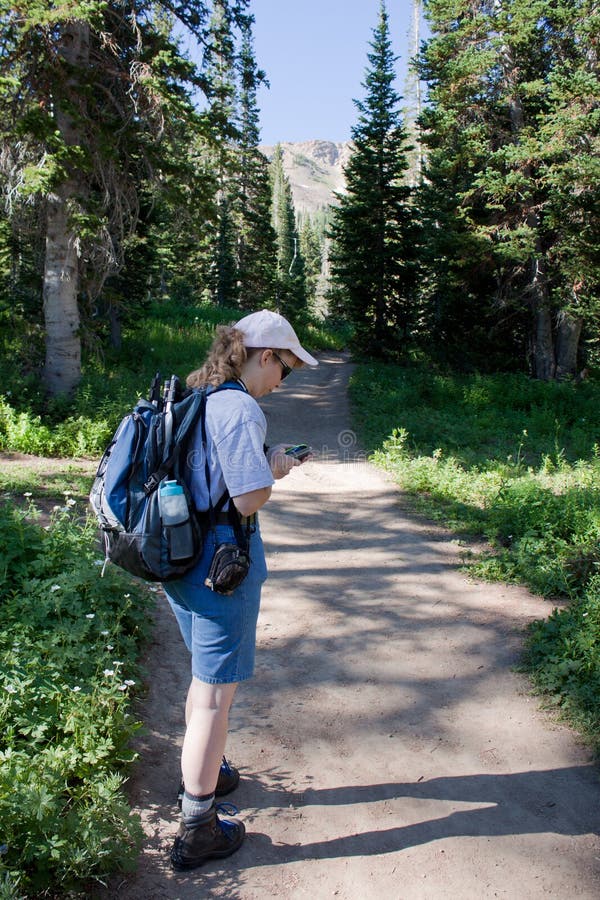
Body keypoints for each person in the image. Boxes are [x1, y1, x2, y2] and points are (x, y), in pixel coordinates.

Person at [164, 309, 318, 871]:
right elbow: (248, 497)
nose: (285, 380)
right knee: (213, 694)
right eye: (288, 368)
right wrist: (275, 467)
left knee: (204, 682)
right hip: (219, 567)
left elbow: (208, 477)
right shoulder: (240, 408)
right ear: (266, 356)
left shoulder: (198, 394)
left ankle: (205, 770)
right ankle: (197, 826)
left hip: (179, 556)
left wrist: (260, 464)